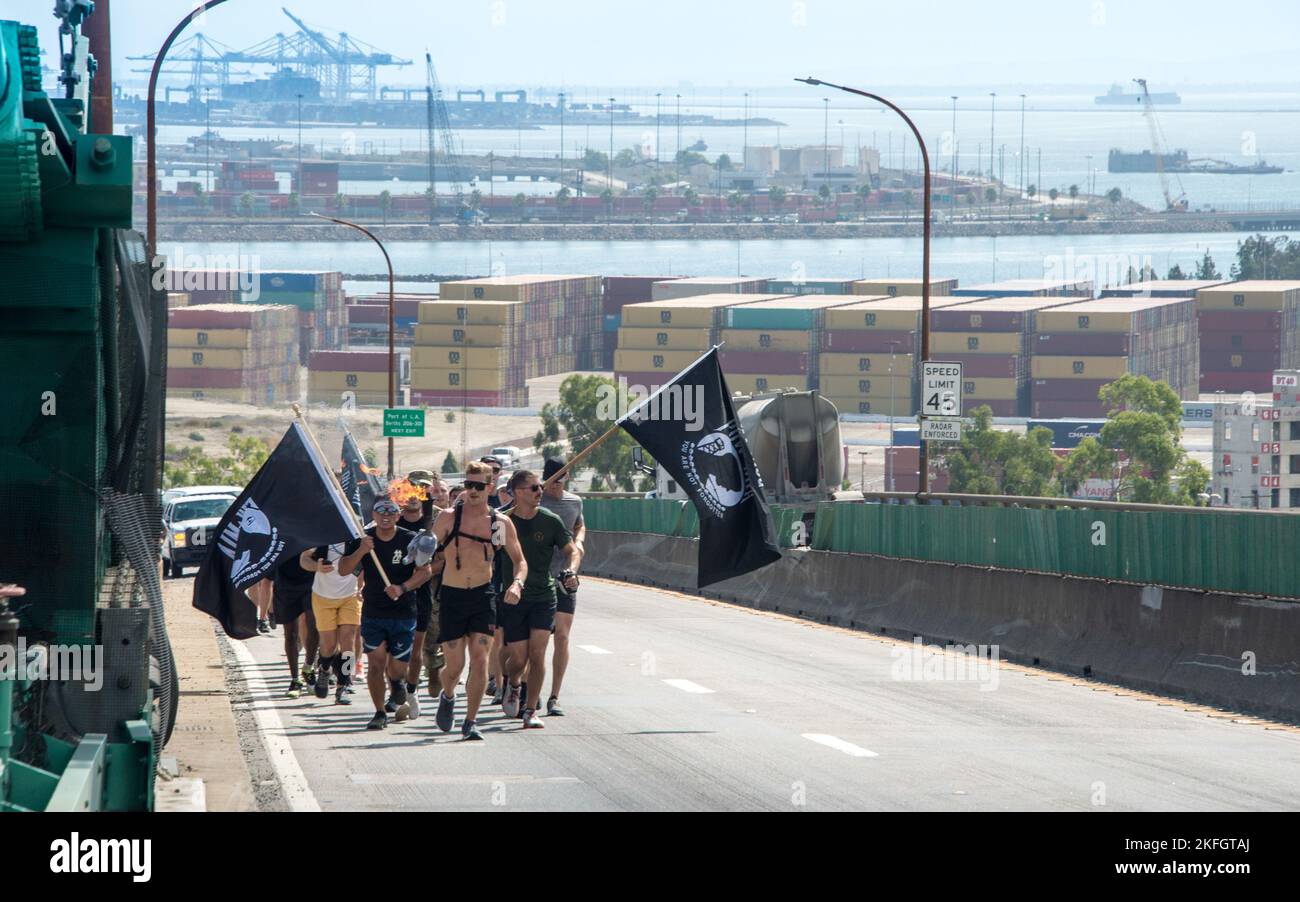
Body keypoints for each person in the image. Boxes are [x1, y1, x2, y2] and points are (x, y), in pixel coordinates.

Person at [431, 460, 526, 740]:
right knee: (455, 666)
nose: (472, 490)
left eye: (478, 486)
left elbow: (520, 561)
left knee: (481, 659)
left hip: (483, 597)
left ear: (490, 487)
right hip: (452, 595)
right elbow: (429, 546)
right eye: (469, 484)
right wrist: (423, 548)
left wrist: (517, 584)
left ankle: (470, 721)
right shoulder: (449, 517)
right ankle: (448, 695)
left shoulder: (500, 522)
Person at [337, 497, 433, 731]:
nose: (386, 515)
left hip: (404, 613)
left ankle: (397, 682)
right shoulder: (364, 538)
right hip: (374, 611)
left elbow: (425, 571)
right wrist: (361, 550)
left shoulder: (410, 539)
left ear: (398, 515)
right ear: (375, 514)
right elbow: (343, 569)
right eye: (381, 511)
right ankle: (379, 712)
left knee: (397, 668)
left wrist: (402, 588)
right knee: (376, 663)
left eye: (391, 511)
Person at [500, 470, 580, 729]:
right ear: (519, 492)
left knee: (538, 655)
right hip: (513, 597)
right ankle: (513, 685)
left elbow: (573, 551)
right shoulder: (503, 522)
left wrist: (571, 571)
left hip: (544, 596)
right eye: (534, 488)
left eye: (540, 487)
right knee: (518, 660)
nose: (539, 492)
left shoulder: (551, 520)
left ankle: (530, 709)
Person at [539, 458, 585, 716]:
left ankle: (554, 696)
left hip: (564, 578)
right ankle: (526, 687)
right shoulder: (534, 500)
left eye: (562, 479)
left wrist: (578, 543)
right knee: (538, 640)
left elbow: (580, 526)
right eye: (553, 479)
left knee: (563, 637)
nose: (557, 485)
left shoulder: (574, 502)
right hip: (536, 578)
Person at [300, 538, 362, 705]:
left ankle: (343, 685)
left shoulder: (356, 536)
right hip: (322, 596)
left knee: (348, 642)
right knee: (328, 646)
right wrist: (316, 567)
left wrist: (363, 586)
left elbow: (367, 562)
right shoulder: (323, 534)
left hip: (350, 596)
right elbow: (304, 559)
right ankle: (325, 669)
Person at [399, 473, 439, 719]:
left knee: (416, 652)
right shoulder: (389, 521)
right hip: (391, 596)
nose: (415, 494)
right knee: (393, 654)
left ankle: (411, 693)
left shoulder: (435, 523)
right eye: (411, 488)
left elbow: (442, 560)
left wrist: (426, 568)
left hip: (422, 595)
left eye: (421, 489)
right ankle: (396, 689)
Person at [272, 554, 318, 698]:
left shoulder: (313, 530)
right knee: (291, 634)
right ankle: (295, 680)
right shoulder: (278, 530)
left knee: (314, 626)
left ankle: (308, 667)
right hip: (285, 582)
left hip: (310, 580)